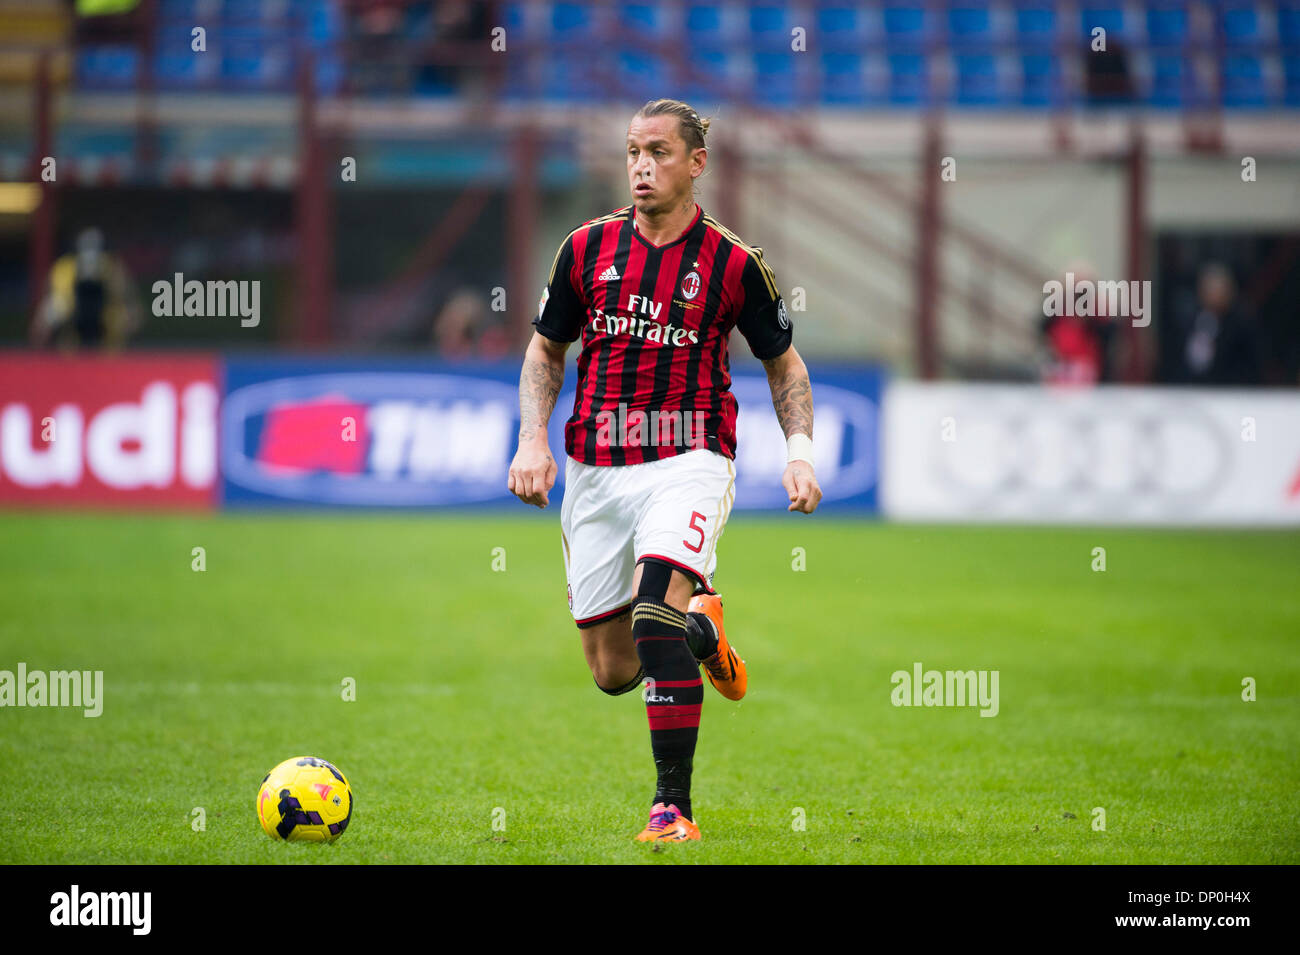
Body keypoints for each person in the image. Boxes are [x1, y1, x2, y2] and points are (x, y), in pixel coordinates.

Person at [507, 98, 822, 842]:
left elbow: (785, 366)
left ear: (696, 163)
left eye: (657, 152)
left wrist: (800, 454)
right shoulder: (583, 249)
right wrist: (532, 439)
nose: (641, 166)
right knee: (613, 669)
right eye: (631, 152)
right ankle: (701, 625)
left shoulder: (736, 264)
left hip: (690, 455)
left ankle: (672, 807)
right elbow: (546, 352)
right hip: (596, 468)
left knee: (653, 616)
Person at [33, 227, 141, 350]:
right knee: (55, 308)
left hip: (108, 349)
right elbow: (48, 310)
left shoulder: (112, 268)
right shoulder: (65, 270)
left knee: (125, 315)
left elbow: (131, 305)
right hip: (72, 346)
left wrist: (130, 320)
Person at [1174, 263, 1264, 386]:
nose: (1213, 295)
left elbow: (1251, 366)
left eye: (1218, 290)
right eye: (1208, 290)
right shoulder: (1188, 319)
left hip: (1228, 393)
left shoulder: (1242, 324)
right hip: (1189, 392)